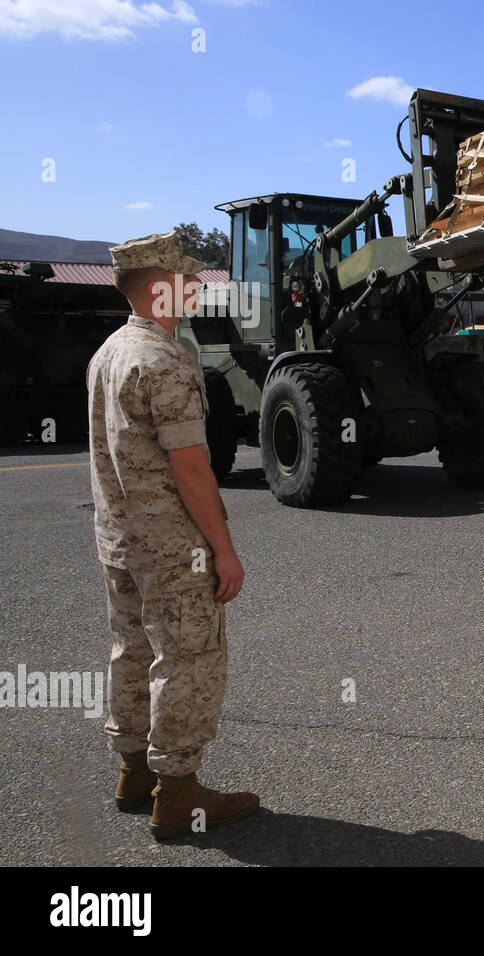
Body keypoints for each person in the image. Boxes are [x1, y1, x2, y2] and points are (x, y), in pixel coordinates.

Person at [88, 230, 258, 841]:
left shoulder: (109, 351)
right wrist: (224, 549)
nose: (195, 287)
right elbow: (190, 467)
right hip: (170, 544)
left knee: (132, 650)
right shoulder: (165, 359)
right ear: (160, 286)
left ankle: (135, 773)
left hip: (119, 539)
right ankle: (180, 794)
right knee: (187, 658)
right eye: (187, 278)